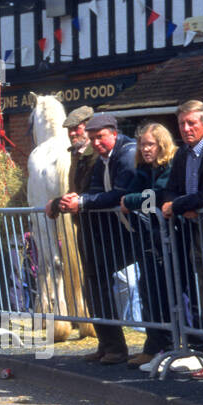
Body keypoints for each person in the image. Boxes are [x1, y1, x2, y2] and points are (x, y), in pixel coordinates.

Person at [49, 113, 136, 365]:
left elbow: (113, 193)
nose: (76, 135)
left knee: (145, 289)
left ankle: (132, 348)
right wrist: (63, 201)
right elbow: (90, 190)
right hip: (93, 226)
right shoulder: (94, 157)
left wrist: (81, 201)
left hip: (123, 229)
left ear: (113, 133)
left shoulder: (123, 153)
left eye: (79, 130)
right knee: (95, 286)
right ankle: (107, 343)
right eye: (72, 131)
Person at [159, 99, 203, 375]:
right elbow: (169, 191)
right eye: (182, 124)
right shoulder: (182, 154)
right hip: (195, 234)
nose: (186, 128)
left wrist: (182, 206)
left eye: (192, 123)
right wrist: (181, 205)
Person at [119, 122, 176, 369]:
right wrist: (133, 199)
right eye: (142, 144)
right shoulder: (143, 170)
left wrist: (131, 200)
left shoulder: (169, 167)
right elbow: (134, 195)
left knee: (171, 293)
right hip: (148, 239)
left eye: (150, 144)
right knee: (147, 289)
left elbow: (157, 195)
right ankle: (154, 345)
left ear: (162, 144)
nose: (145, 149)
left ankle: (178, 346)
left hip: (171, 239)